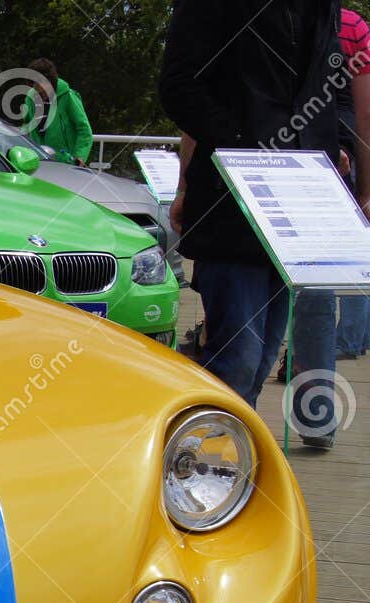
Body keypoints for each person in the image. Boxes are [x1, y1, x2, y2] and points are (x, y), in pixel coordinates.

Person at [160, 0, 341, 442]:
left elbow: (325, 86)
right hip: (231, 196)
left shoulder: (324, 8)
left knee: (260, 360)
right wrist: (242, 148)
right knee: (237, 355)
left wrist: (332, 163)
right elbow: (179, 84)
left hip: (300, 200)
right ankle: (203, 464)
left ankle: (227, 461)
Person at [337, 6, 370, 362]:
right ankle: (356, 336)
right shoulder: (356, 25)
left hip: (332, 141)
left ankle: (347, 339)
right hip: (357, 141)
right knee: (360, 246)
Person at [19, 58, 93, 166]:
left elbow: (84, 130)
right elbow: (26, 129)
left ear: (51, 82)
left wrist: (79, 157)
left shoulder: (68, 96)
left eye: (42, 86)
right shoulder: (30, 98)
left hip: (67, 163)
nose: (38, 91)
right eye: (34, 85)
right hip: (39, 162)